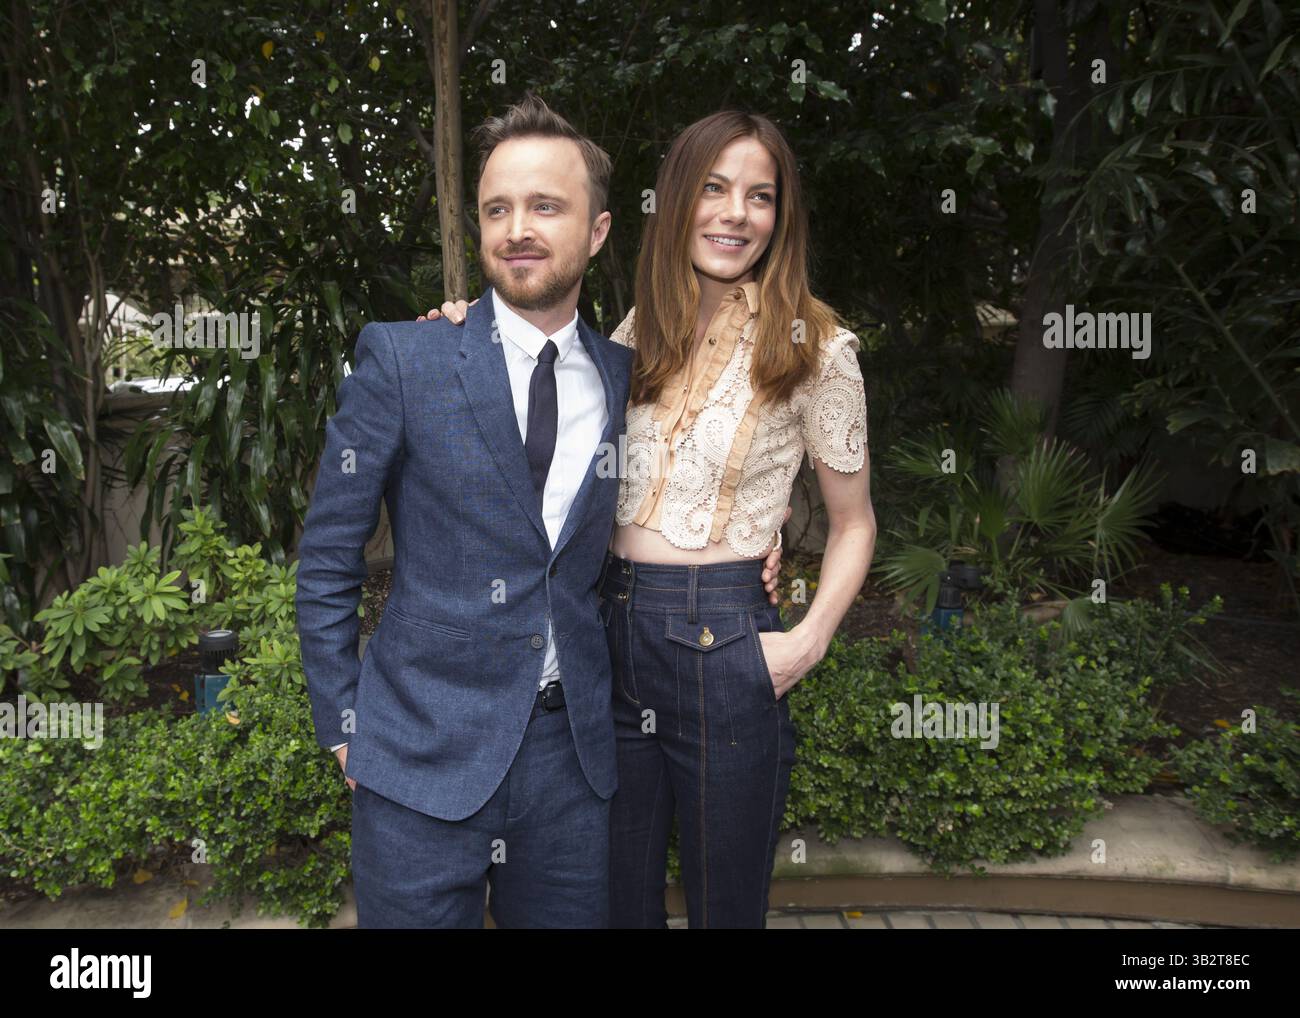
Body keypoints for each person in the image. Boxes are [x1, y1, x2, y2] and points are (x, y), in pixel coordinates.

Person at [297, 92, 781, 928]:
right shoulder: (407, 359)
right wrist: (345, 727)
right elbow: (328, 557)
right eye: (498, 209)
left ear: (596, 231)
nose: (517, 229)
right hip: (415, 762)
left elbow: (686, 485)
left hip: (572, 772)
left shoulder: (629, 375)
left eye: (545, 207)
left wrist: (757, 546)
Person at [419, 108, 877, 928]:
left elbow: (854, 523)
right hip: (607, 637)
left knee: (724, 908)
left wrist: (806, 642)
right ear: (675, 201)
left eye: (760, 196)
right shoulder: (636, 333)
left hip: (726, 645)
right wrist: (463, 334)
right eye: (714, 189)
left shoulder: (819, 347)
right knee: (615, 903)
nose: (736, 213)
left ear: (781, 216)